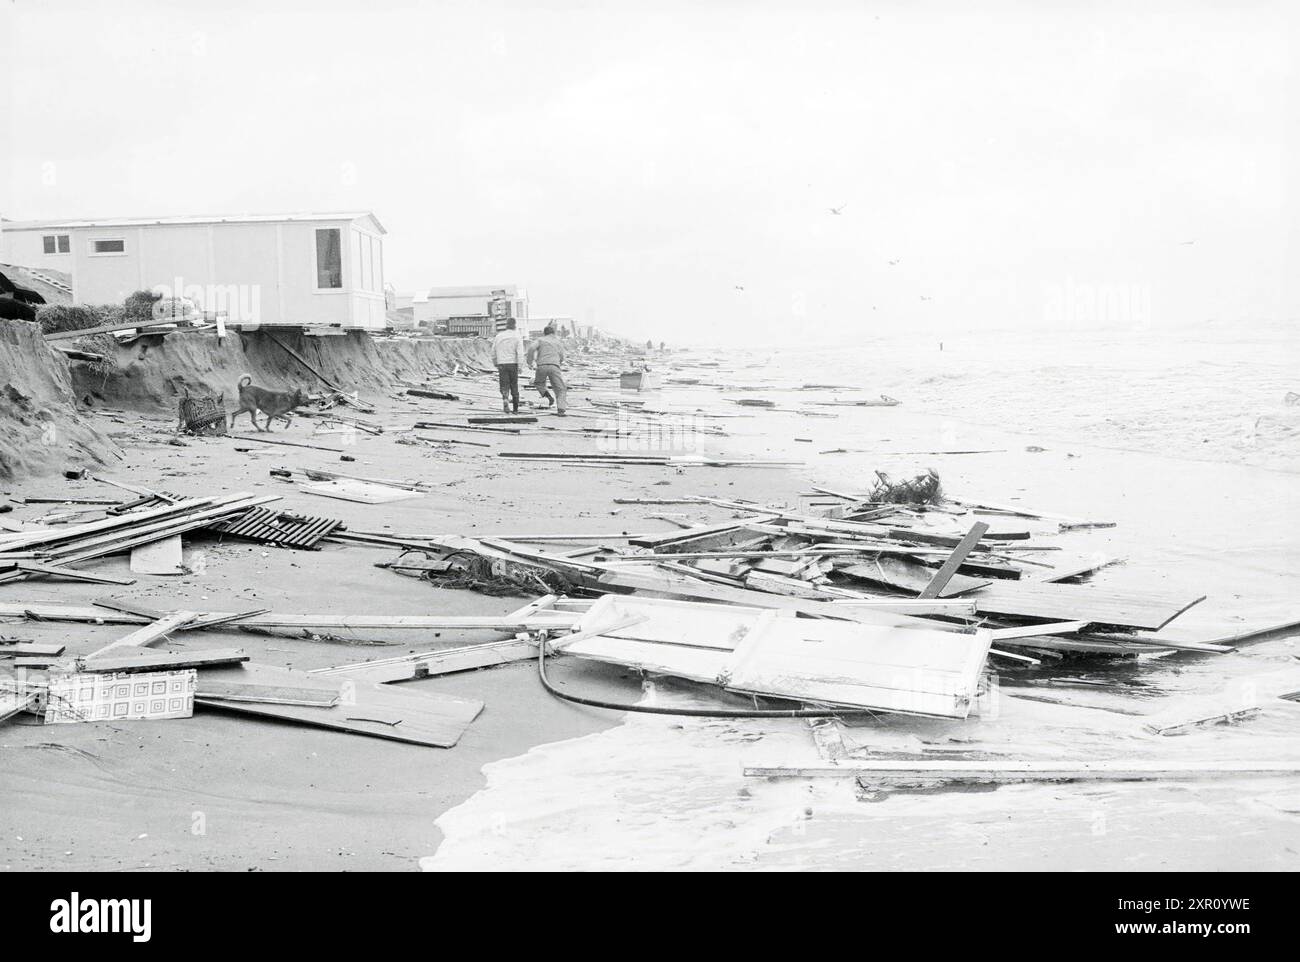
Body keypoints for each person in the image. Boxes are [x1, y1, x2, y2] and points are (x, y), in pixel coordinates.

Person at [526, 323, 568, 415]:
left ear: (544, 333)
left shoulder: (540, 340)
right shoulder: (558, 342)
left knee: (539, 383)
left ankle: (547, 395)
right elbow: (562, 356)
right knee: (560, 388)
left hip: (541, 366)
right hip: (554, 366)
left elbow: (532, 348)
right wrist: (558, 363)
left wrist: (529, 362)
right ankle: (561, 409)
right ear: (553, 333)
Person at [491, 318, 527, 413]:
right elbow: (520, 353)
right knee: (514, 385)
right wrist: (520, 366)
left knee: (504, 384)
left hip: (502, 363)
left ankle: (505, 399)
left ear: (506, 325)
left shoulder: (499, 336)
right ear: (515, 325)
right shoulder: (517, 336)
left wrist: (495, 362)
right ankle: (515, 409)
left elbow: (493, 351)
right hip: (513, 364)